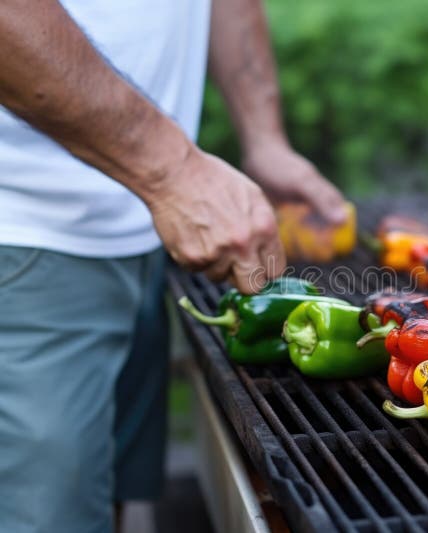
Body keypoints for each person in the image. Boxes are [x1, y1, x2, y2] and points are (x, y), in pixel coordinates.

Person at [0, 1, 346, 531]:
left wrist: (264, 138)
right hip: (24, 232)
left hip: (145, 233)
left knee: (111, 500)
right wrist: (173, 171)